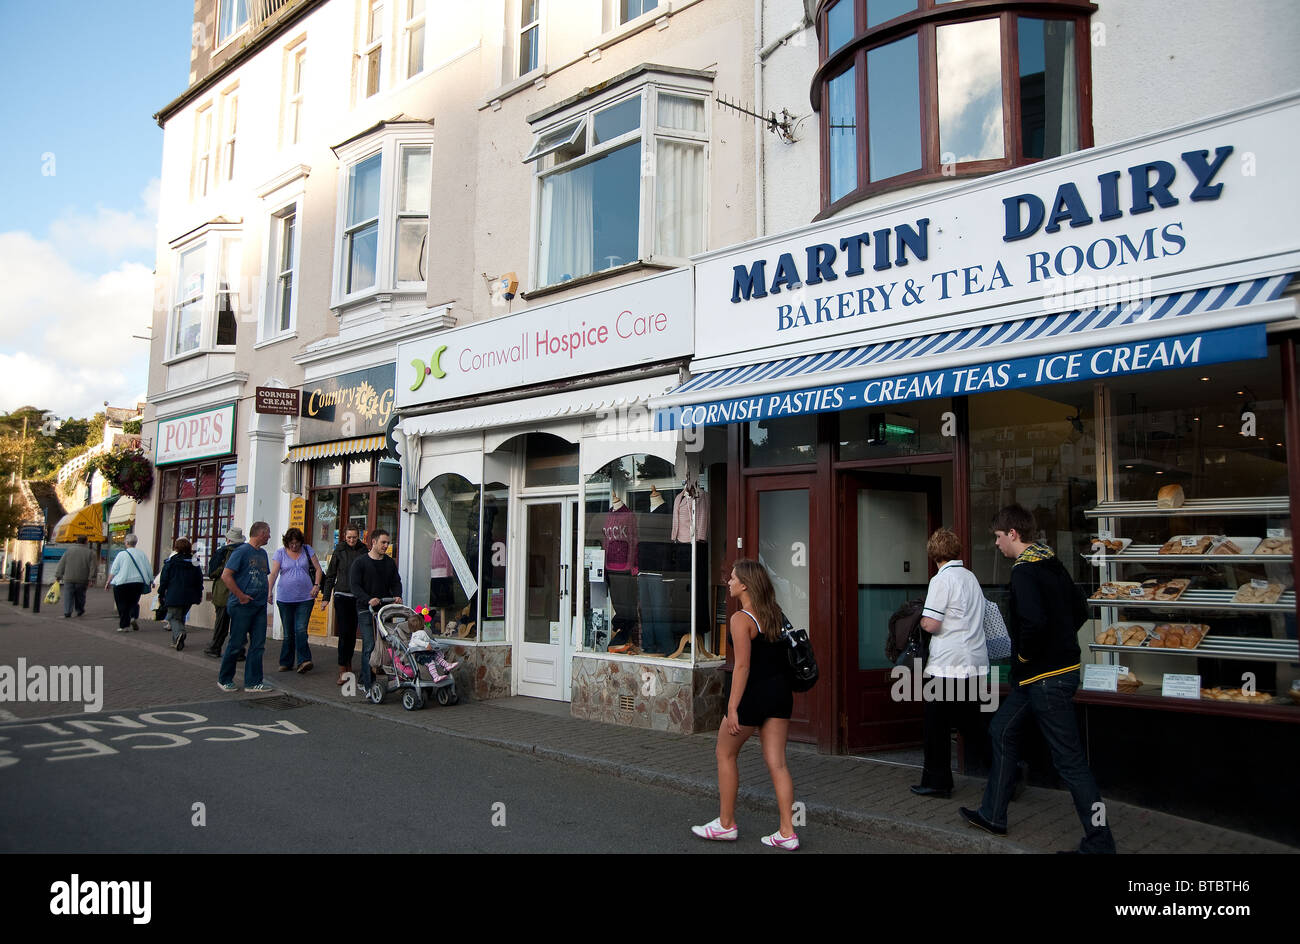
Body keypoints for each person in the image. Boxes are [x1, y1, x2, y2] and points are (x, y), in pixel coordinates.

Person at [959, 504, 1117, 854]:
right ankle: (993, 814)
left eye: (999, 537)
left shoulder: (1024, 573)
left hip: (1044, 679)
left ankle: (1100, 842)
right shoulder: (1053, 564)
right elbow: (1079, 610)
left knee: (1071, 762)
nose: (997, 545)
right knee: (1001, 730)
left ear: (1012, 534)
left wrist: (1027, 656)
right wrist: (1057, 645)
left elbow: (1032, 624)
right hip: (1045, 677)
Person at [692, 559, 798, 850]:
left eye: (733, 578)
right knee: (777, 763)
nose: (729, 582)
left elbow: (742, 667)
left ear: (745, 585)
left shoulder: (741, 619)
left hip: (753, 697)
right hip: (780, 694)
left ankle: (726, 824)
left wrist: (732, 708)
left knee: (724, 754)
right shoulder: (775, 614)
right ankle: (787, 831)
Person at [911, 528, 989, 799]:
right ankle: (1008, 774)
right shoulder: (970, 577)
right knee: (974, 726)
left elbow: (932, 623)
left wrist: (919, 620)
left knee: (936, 727)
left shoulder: (940, 581)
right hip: (975, 662)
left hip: (948, 665)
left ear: (933, 554)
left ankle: (937, 782)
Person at [218, 521, 274, 693]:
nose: (269, 536)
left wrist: (268, 593)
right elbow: (226, 576)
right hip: (242, 605)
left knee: (258, 644)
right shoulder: (241, 551)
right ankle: (225, 679)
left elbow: (264, 576)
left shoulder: (263, 554)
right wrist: (240, 595)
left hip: (259, 605)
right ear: (260, 533)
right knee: (236, 643)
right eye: (268, 533)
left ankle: (253, 681)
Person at [348, 530, 402, 693]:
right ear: (373, 542)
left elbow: (396, 582)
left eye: (388, 543)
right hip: (366, 609)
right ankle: (367, 682)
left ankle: (388, 676)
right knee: (370, 645)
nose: (386, 546)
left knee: (388, 643)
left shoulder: (389, 563)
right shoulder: (360, 563)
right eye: (383, 542)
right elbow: (355, 586)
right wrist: (367, 599)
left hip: (385, 609)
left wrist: (398, 595)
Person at [269, 527, 324, 674]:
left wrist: (316, 585)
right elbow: (274, 573)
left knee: (300, 629)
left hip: (305, 597)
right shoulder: (280, 553)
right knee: (288, 632)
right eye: (291, 543)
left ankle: (304, 660)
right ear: (286, 542)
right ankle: (286, 662)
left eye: (296, 543)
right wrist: (269, 591)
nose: (294, 546)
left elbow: (318, 569)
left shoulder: (307, 550)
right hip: (285, 598)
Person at [320, 527, 369, 685]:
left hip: (358, 597)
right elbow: (330, 575)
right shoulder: (339, 551)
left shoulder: (363, 550)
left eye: (354, 537)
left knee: (352, 633)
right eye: (349, 537)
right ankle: (342, 668)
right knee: (344, 632)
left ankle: (348, 663)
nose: (352, 540)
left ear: (358, 536)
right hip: (342, 595)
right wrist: (326, 597)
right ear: (344, 536)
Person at [204, 526, 247, 659]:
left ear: (228, 539)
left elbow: (212, 572)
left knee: (221, 623)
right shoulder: (246, 552)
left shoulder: (222, 552)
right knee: (238, 623)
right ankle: (239, 651)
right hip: (241, 591)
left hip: (223, 592)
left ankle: (215, 647)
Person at [157, 537, 204, 651]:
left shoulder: (171, 562)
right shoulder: (194, 562)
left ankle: (180, 633)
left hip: (174, 594)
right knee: (180, 616)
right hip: (190, 595)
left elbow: (164, 579)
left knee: (173, 617)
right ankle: (176, 641)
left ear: (176, 548)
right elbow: (199, 579)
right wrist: (199, 593)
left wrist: (161, 592)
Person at [104, 534, 152, 632]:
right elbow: (148, 568)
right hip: (138, 582)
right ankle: (133, 617)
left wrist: (108, 581)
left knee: (122, 604)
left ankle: (124, 626)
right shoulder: (141, 554)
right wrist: (151, 580)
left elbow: (114, 570)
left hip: (122, 582)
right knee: (133, 602)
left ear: (126, 543)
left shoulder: (121, 554)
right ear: (135, 543)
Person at [54, 535, 97, 618]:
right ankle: (79, 610)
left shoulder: (69, 551)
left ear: (77, 541)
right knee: (80, 596)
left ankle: (67, 611)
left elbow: (62, 564)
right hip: (82, 579)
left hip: (69, 577)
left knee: (68, 595)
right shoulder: (91, 553)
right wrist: (92, 579)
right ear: (86, 541)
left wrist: (58, 575)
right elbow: (93, 567)